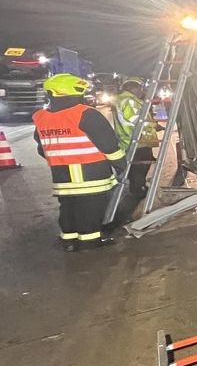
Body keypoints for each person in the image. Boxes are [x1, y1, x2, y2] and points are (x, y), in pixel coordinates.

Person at [32, 73, 126, 250]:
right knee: (90, 208)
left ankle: (69, 239)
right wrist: (121, 165)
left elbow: (42, 148)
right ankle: (90, 241)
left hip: (61, 175)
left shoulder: (41, 118)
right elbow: (109, 145)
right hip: (90, 174)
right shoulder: (86, 114)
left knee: (68, 207)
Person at [111, 77, 159, 197]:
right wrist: (154, 125)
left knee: (137, 166)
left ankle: (137, 186)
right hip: (137, 139)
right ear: (134, 88)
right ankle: (138, 190)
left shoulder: (121, 99)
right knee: (140, 166)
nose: (142, 92)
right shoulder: (129, 100)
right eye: (140, 89)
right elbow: (137, 119)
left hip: (130, 139)